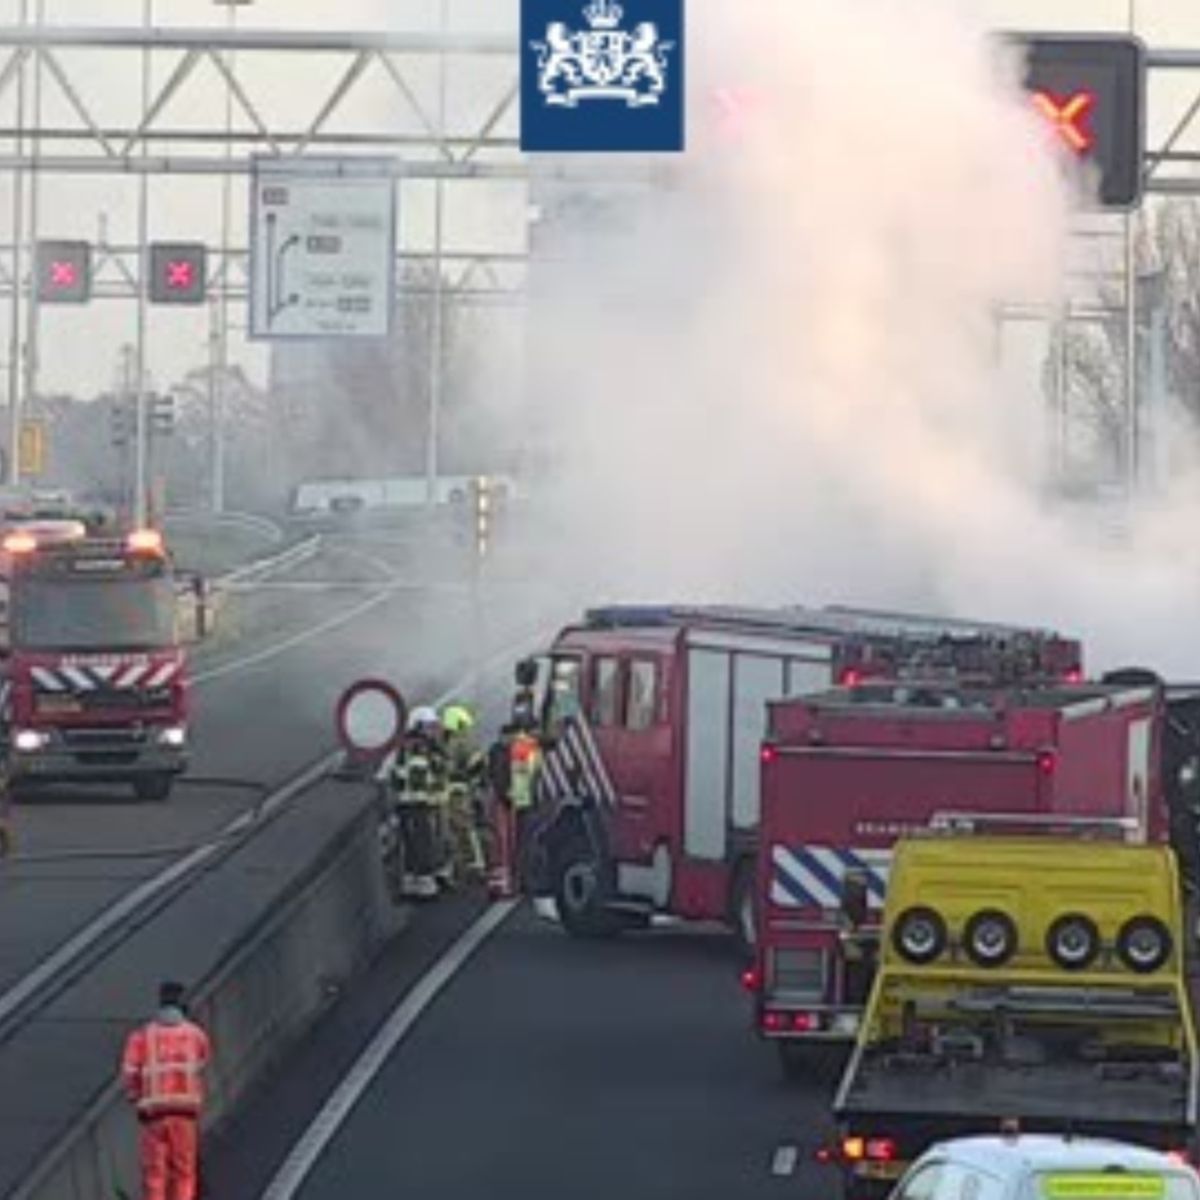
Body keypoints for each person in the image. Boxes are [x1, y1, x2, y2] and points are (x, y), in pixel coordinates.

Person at [120, 981, 211, 1200]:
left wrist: (136, 1097)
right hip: (184, 1113)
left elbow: (129, 1071)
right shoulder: (195, 1035)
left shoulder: (142, 1037)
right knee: (184, 1172)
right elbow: (202, 1061)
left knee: (154, 1174)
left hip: (154, 1116)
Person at [441, 703, 487, 883]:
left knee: (461, 829)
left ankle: (471, 864)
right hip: (455, 791)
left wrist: (464, 777)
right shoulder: (460, 740)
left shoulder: (459, 742)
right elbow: (478, 765)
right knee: (461, 830)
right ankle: (468, 864)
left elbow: (475, 765)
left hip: (456, 792)